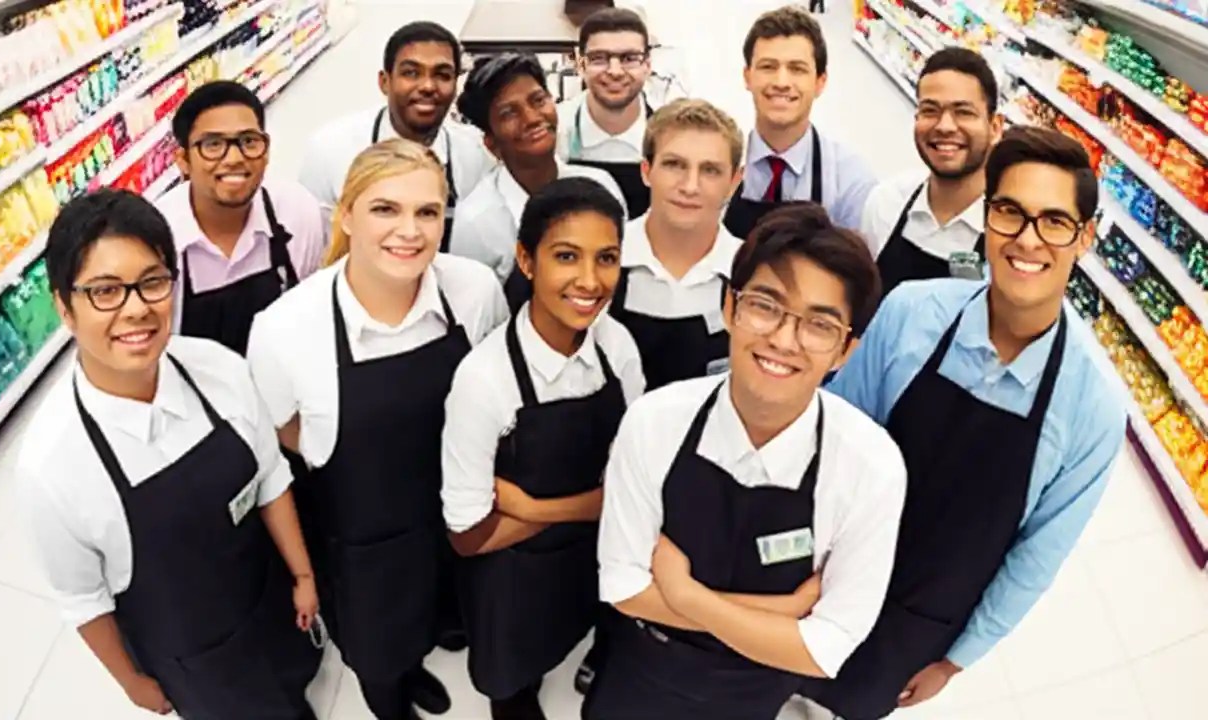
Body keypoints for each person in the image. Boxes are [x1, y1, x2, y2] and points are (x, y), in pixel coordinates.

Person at [804, 127, 1127, 719]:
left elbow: (1036, 554)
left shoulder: (1093, 408)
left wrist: (958, 659)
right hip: (826, 578)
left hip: (918, 627)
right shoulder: (908, 314)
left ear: (1083, 239)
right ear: (986, 217)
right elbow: (832, 445)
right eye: (1010, 212)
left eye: (1054, 222)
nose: (1028, 240)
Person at [583, 203, 907, 719]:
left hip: (753, 693)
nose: (782, 339)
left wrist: (686, 595)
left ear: (845, 350)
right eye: (765, 305)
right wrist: (784, 615)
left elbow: (826, 649)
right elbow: (623, 587)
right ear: (729, 309)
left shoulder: (870, 466)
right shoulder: (655, 422)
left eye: (818, 325)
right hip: (642, 671)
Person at [18, 190, 322, 720]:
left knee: (293, 686)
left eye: (152, 282)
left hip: (268, 603)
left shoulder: (219, 369)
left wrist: (302, 576)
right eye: (105, 291)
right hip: (193, 660)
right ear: (64, 306)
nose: (136, 308)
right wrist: (132, 683)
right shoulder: (51, 465)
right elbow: (85, 600)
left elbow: (270, 477)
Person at [247, 139, 508, 720]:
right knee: (378, 651)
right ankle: (392, 699)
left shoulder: (474, 291)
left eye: (427, 212)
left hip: (453, 516)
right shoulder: (285, 328)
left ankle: (413, 666)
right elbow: (283, 432)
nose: (409, 231)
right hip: (363, 540)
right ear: (345, 214)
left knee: (443, 612)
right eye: (385, 209)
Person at [441, 178, 646, 720]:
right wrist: (590, 505)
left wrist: (533, 509)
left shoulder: (616, 346)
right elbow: (467, 536)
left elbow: (637, 481)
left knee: (571, 630)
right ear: (526, 261)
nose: (589, 280)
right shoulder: (485, 382)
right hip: (509, 579)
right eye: (565, 256)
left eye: (606, 258)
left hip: (585, 559)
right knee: (512, 684)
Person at [155, 81, 325, 356]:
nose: (234, 158)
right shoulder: (159, 236)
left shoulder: (295, 211)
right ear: (183, 160)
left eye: (249, 142)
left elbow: (306, 310)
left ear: (266, 152)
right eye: (213, 145)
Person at [450, 52, 626, 313]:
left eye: (538, 100)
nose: (532, 118)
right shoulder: (477, 221)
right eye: (509, 113)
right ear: (492, 143)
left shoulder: (599, 186)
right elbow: (472, 316)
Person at [298, 21, 494, 247]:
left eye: (442, 75)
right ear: (385, 82)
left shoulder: (474, 153)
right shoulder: (330, 150)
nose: (428, 86)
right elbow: (316, 251)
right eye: (411, 73)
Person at [609, 97, 745, 391]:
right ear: (646, 171)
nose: (690, 186)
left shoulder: (753, 273)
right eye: (674, 165)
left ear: (734, 181)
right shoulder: (602, 260)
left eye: (710, 170)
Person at [861, 48, 1004, 299]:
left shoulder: (1009, 232)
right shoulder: (885, 204)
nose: (945, 126)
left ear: (995, 127)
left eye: (963, 112)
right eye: (930, 110)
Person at [724, 7, 876, 239]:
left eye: (797, 69)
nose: (781, 82)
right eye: (768, 67)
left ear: (819, 82)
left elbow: (855, 271)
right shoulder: (719, 164)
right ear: (747, 77)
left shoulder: (850, 182)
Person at [557, 7, 654, 217]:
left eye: (629, 58)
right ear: (580, 64)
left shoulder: (669, 136)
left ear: (647, 64)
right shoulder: (553, 131)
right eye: (599, 58)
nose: (615, 71)